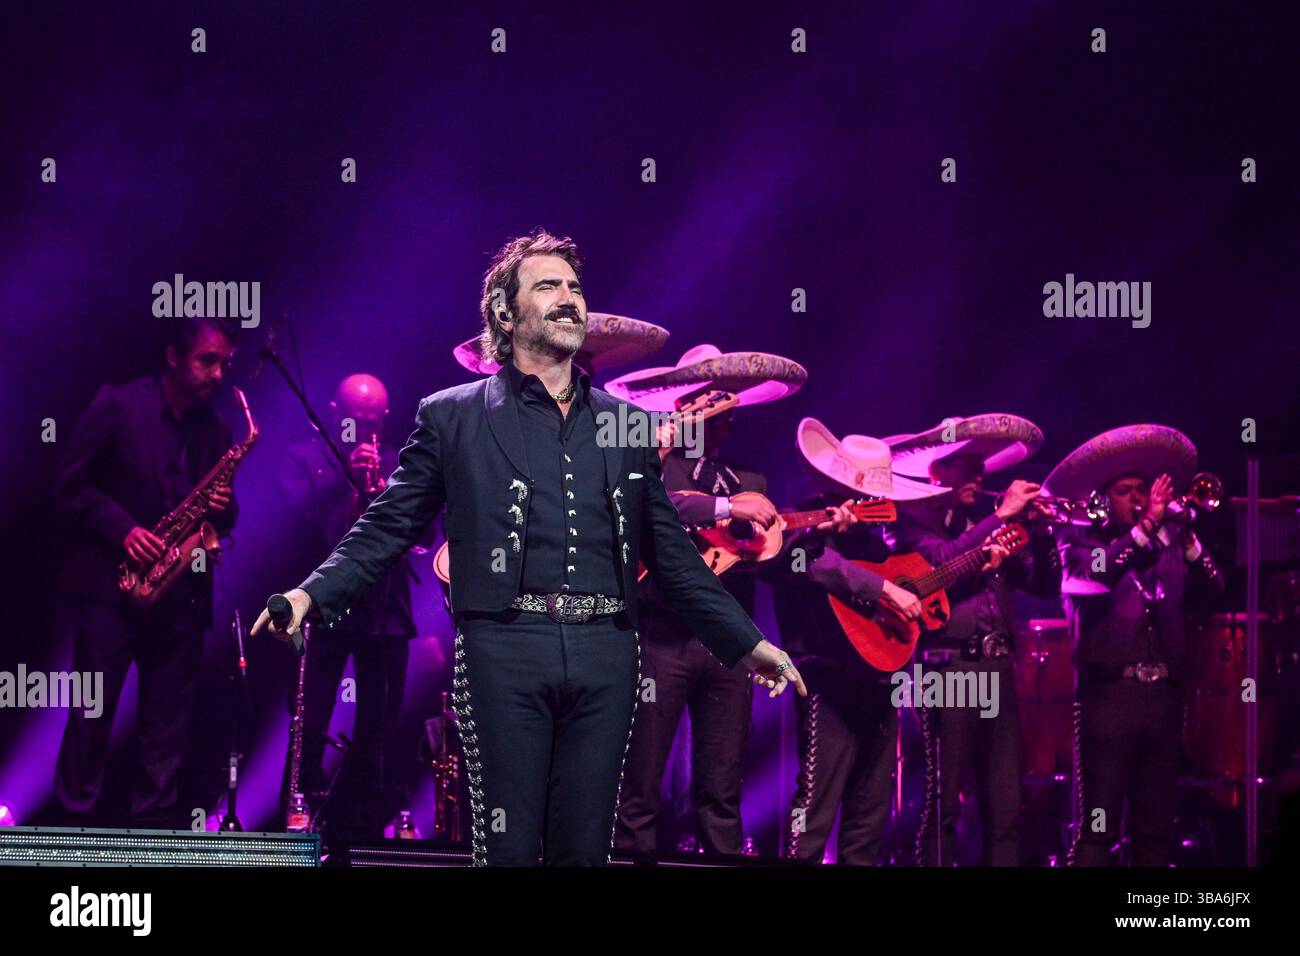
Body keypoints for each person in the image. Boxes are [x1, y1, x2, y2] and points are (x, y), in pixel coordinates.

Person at [252, 228, 803, 866]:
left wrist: (747, 642)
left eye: (574, 286)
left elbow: (673, 556)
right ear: (505, 314)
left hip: (605, 656)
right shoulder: (452, 416)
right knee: (509, 848)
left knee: (582, 851)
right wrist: (310, 593)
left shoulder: (625, 426)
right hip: (502, 651)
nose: (569, 297)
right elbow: (388, 523)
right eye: (548, 285)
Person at [52, 317, 240, 827]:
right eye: (208, 360)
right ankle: (72, 830)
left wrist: (222, 509)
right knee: (92, 717)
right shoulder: (117, 405)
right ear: (175, 357)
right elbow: (70, 486)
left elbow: (224, 518)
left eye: (225, 363)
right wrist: (125, 531)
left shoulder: (217, 430)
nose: (218, 374)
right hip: (110, 591)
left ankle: (153, 835)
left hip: (179, 598)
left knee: (167, 728)